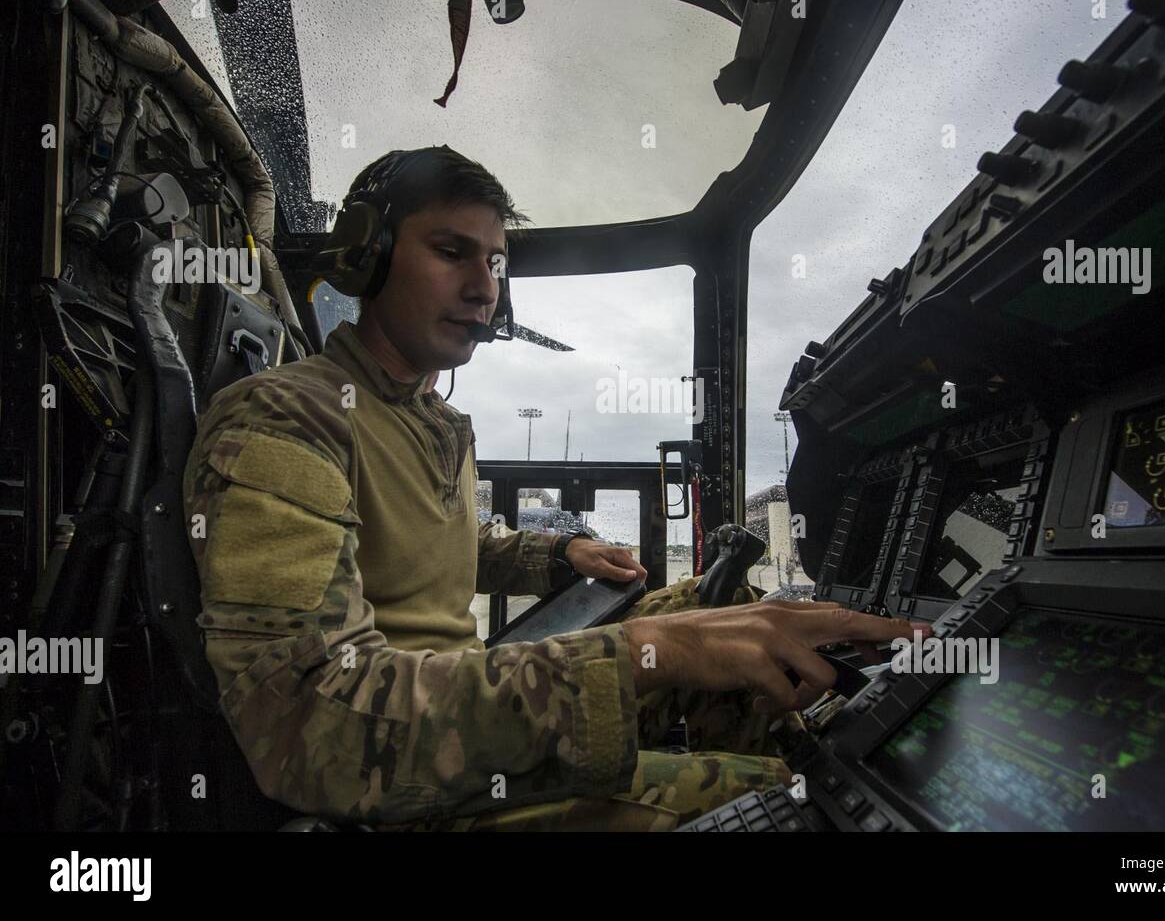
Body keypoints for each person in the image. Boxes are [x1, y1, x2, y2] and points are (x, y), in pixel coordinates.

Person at [182, 145, 926, 830]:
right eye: (451, 253)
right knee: (773, 801)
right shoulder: (286, 420)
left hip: (456, 705)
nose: (484, 289)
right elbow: (309, 727)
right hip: (396, 782)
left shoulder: (430, 420)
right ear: (368, 255)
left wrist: (560, 551)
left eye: (497, 264)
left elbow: (443, 544)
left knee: (718, 607)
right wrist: (644, 649)